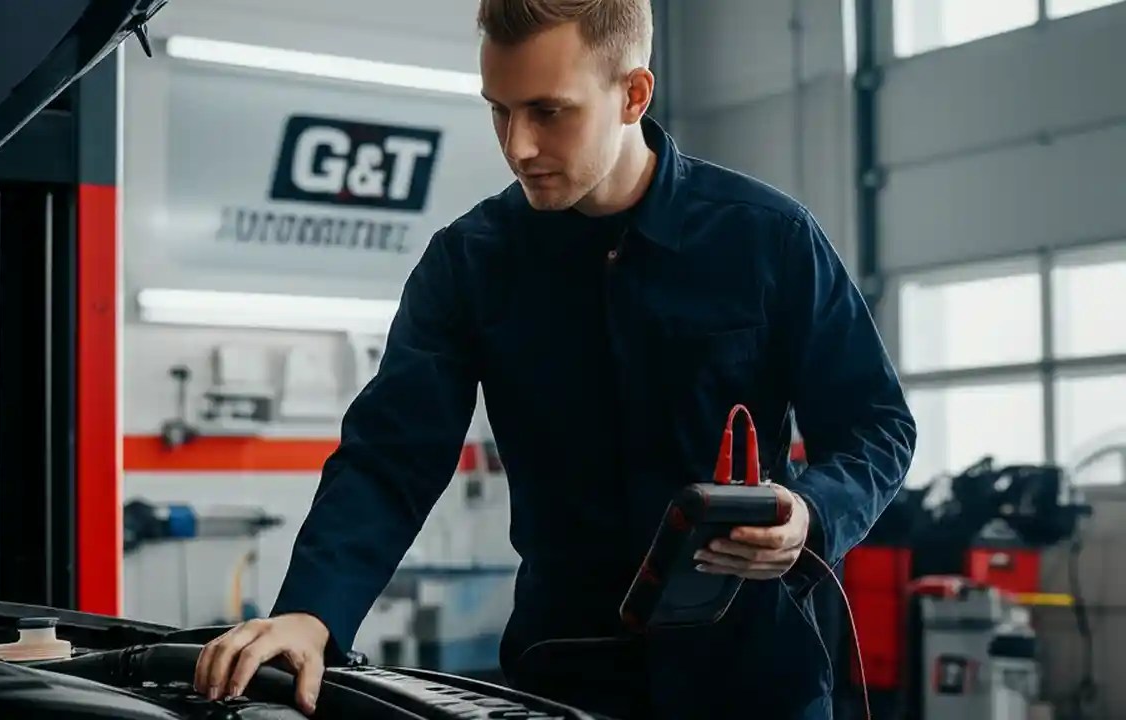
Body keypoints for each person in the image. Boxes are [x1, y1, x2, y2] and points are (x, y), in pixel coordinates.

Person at [193, 0, 916, 717]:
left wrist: (811, 513)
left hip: (756, 679)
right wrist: (311, 613)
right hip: (565, 675)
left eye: (548, 112)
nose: (518, 147)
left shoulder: (769, 241)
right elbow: (390, 458)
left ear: (633, 95)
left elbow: (876, 425)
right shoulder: (470, 265)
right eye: (499, 111)